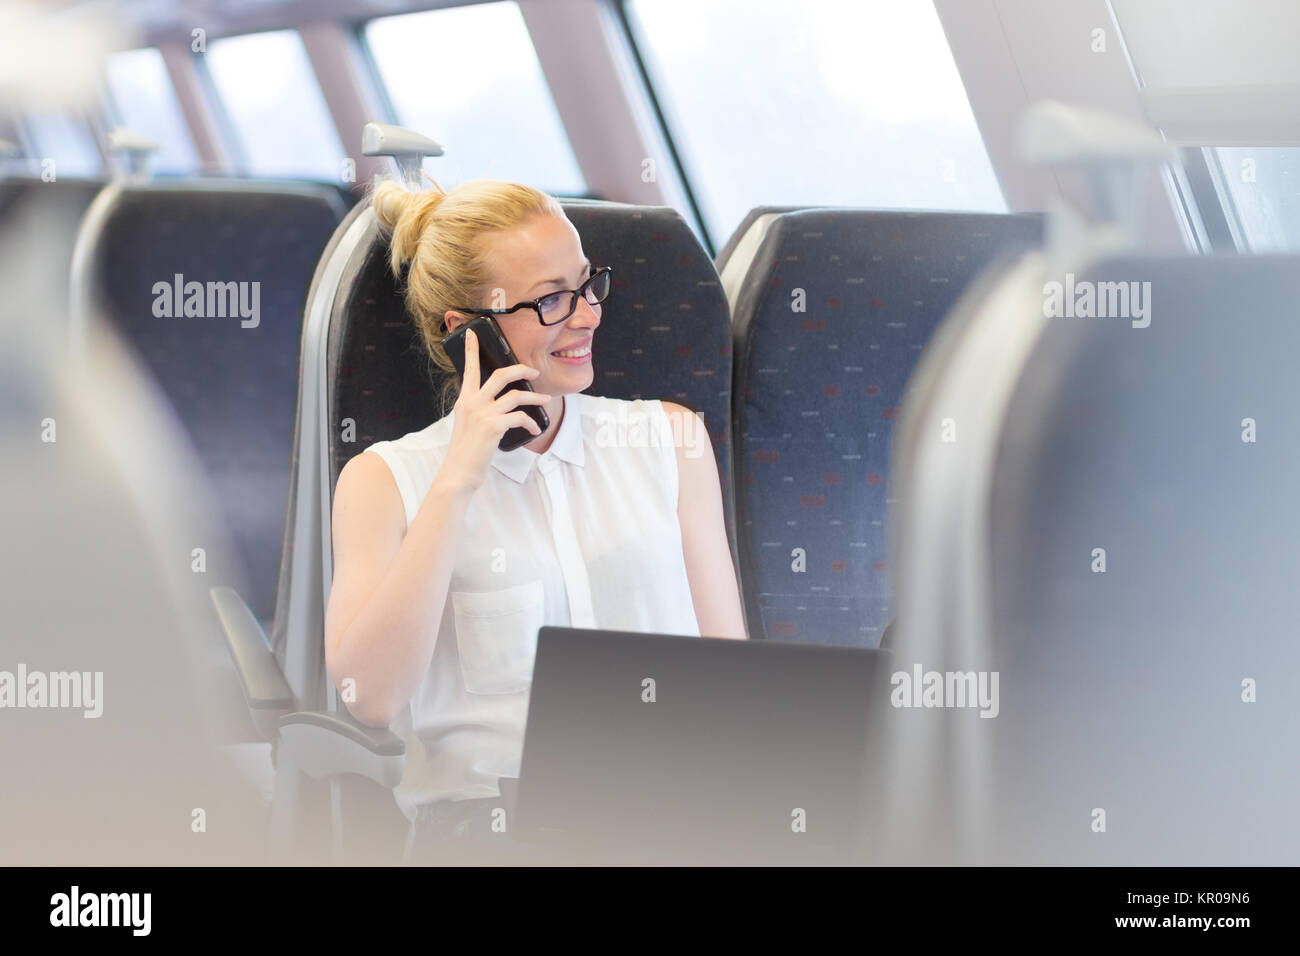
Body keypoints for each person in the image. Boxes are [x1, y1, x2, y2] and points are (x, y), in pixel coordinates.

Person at [323, 177, 747, 864]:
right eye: (552, 300)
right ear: (465, 329)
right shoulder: (384, 483)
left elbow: (732, 682)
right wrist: (459, 477)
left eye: (587, 286)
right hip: (490, 836)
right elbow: (367, 697)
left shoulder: (672, 442)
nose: (586, 316)